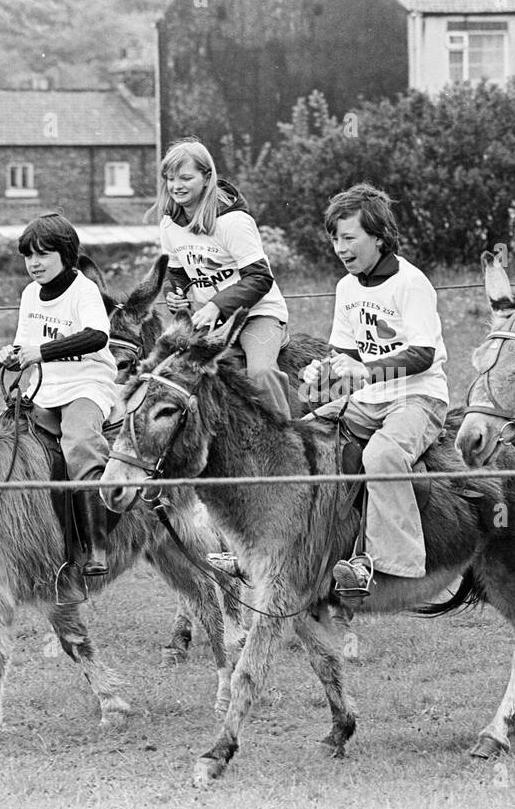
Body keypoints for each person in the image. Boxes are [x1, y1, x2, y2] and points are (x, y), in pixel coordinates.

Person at [300, 184, 449, 597]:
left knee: (381, 454)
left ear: (380, 237)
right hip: (366, 399)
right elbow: (344, 353)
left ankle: (385, 567)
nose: (339, 247)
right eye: (334, 238)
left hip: (418, 398)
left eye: (349, 238)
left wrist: (364, 372)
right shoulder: (346, 288)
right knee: (300, 437)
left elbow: (422, 353)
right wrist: (322, 373)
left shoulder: (411, 283)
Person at [0, 212, 118, 577]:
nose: (34, 264)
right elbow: (25, 345)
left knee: (80, 444)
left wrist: (43, 352)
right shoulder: (30, 294)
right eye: (28, 256)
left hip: (86, 384)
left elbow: (98, 336)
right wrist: (12, 355)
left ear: (66, 254)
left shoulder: (84, 291)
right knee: (4, 440)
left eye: (43, 255)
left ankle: (97, 547)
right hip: (45, 388)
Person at [154, 138, 291, 418]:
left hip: (256, 314)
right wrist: (176, 293)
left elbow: (260, 278)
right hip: (211, 321)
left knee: (261, 372)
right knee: (174, 370)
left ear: (207, 178)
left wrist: (217, 305)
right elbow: (177, 272)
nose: (176, 186)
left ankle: (285, 438)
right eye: (170, 179)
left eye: (185, 178)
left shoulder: (233, 221)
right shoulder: (169, 225)